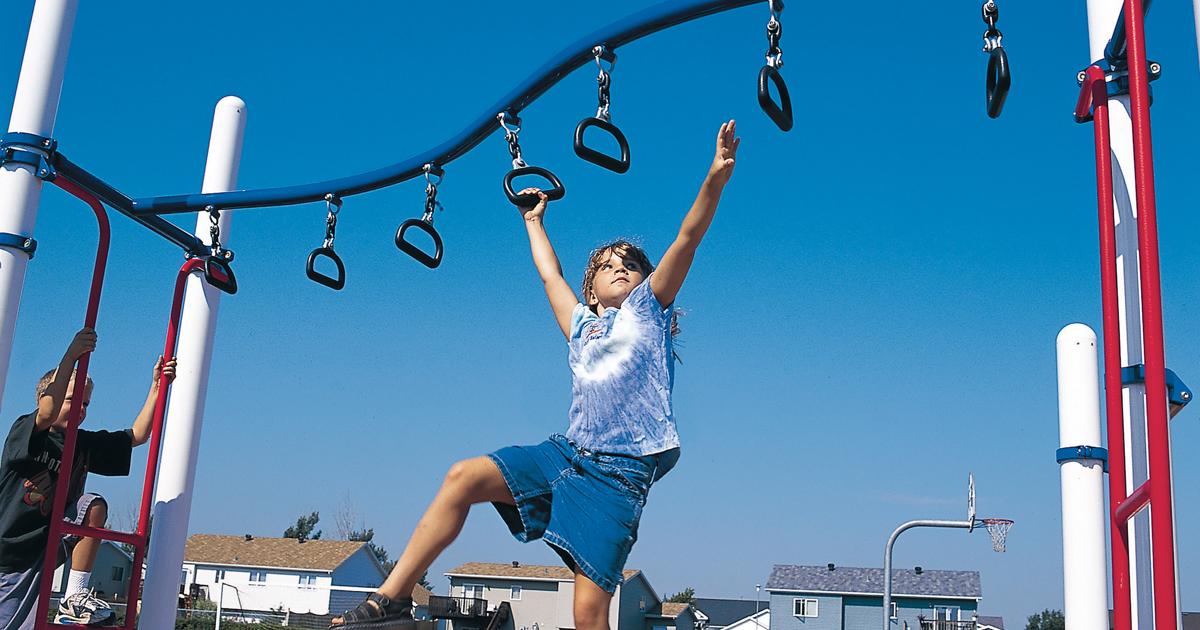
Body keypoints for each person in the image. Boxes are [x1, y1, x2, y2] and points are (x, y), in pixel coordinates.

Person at [331, 120, 740, 630]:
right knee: (462, 477)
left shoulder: (648, 310)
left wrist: (715, 179)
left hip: (618, 477)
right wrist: (533, 221)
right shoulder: (582, 326)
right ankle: (390, 597)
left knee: (588, 615)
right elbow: (550, 274)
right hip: (565, 454)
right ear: (589, 289)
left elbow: (688, 236)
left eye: (631, 264)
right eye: (608, 265)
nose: (621, 267)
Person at [0, 328, 176, 628]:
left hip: (45, 547)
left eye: (86, 404)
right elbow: (47, 410)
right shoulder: (28, 430)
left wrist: (157, 388)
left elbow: (136, 436)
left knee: (93, 506)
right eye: (73, 400)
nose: (80, 410)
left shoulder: (81, 444)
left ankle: (74, 597)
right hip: (9, 553)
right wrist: (71, 357)